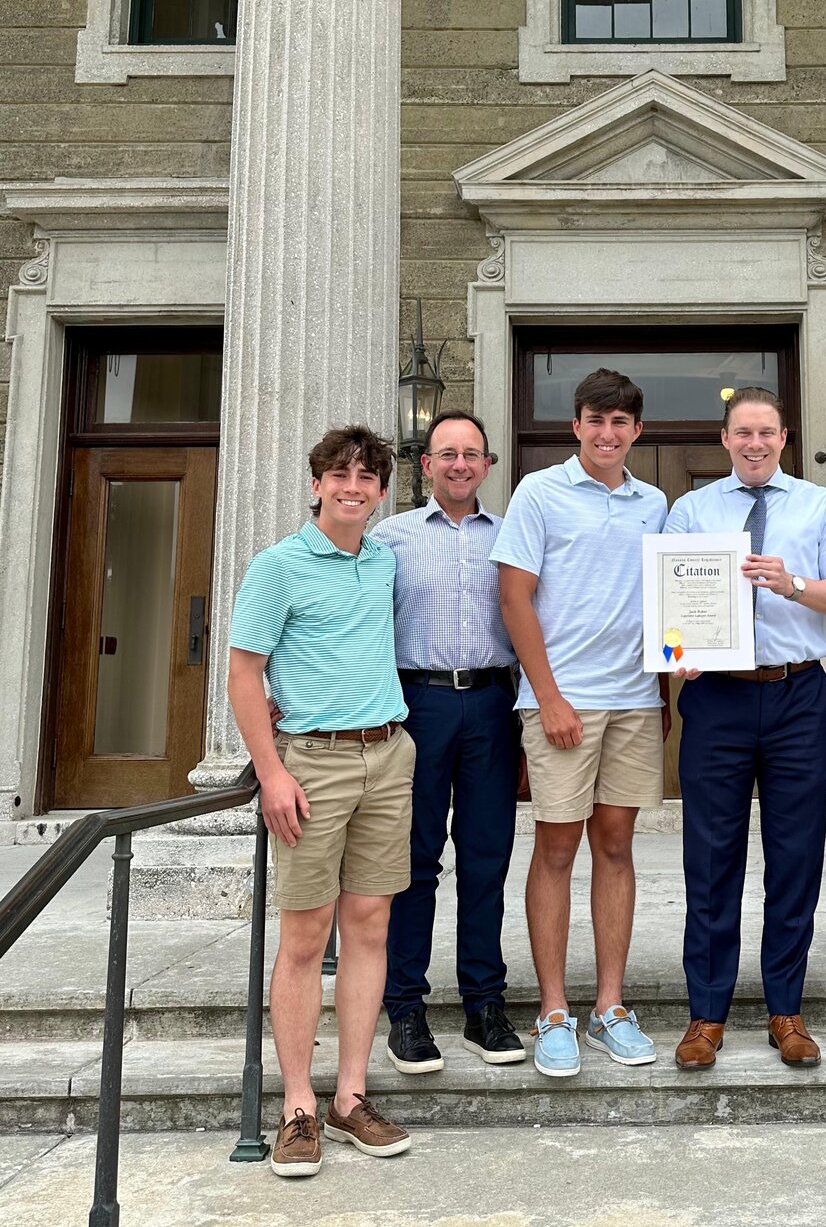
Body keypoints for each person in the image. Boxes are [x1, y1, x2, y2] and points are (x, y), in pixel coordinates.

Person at [227, 425, 415, 1178]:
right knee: (306, 936)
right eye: (340, 474)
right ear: (317, 485)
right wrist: (271, 772)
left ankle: (351, 1097)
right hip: (313, 764)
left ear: (381, 491)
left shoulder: (383, 559)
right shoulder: (278, 565)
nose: (353, 487)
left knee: (370, 927)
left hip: (388, 754)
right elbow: (244, 674)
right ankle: (298, 1106)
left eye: (367, 477)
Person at [664, 386, 826, 1071]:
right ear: (725, 439)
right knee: (709, 860)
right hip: (717, 698)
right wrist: (678, 650)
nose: (755, 443)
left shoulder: (821, 506)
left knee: (795, 858)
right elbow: (669, 602)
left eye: (767, 432)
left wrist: (793, 585)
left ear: (784, 438)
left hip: (797, 695)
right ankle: (706, 1015)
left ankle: (787, 1010)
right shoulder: (691, 511)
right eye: (743, 432)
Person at [491, 368, 668, 1078]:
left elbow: (667, 599)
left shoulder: (654, 503)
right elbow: (514, 599)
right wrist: (549, 698)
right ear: (576, 426)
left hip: (635, 699)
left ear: (636, 430)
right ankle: (554, 1012)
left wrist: (675, 669)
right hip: (563, 700)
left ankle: (610, 1008)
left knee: (617, 847)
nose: (607, 433)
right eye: (597, 420)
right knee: (558, 847)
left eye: (620, 421)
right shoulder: (539, 493)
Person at [370, 409, 526, 1074]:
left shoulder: (514, 536)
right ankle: (405, 1006)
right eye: (447, 454)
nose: (460, 464)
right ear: (426, 464)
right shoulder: (389, 537)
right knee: (413, 860)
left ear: (487, 464)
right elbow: (363, 623)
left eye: (471, 454)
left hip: (492, 703)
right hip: (418, 705)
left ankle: (484, 1004)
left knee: (487, 858)